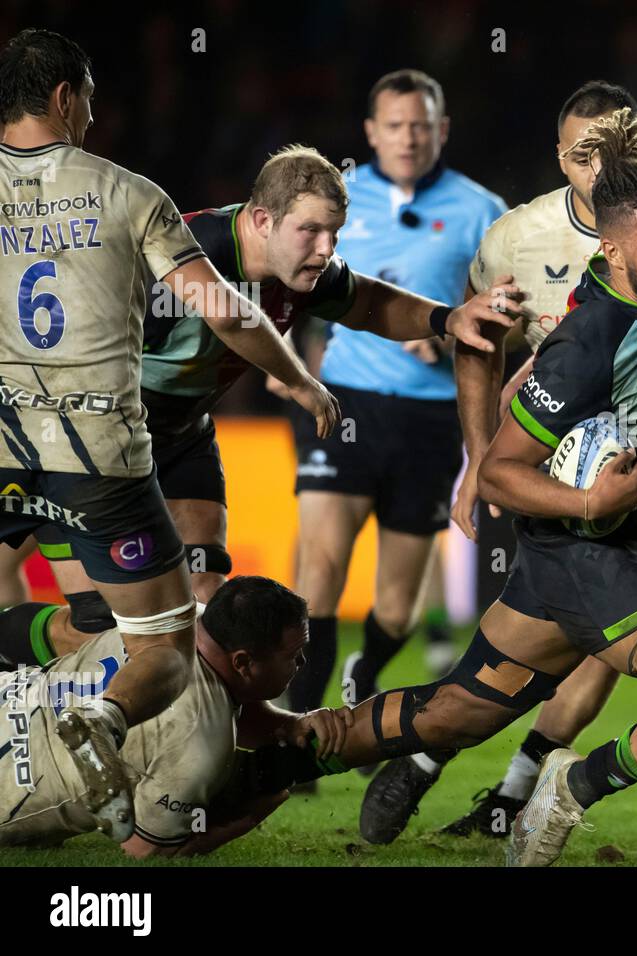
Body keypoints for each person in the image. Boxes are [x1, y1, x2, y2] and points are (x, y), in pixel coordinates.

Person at [258, 111, 637, 868]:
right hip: (591, 557)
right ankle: (572, 785)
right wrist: (592, 503)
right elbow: (501, 471)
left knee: (457, 711)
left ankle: (278, 751)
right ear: (612, 251)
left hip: (604, 557)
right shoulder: (587, 346)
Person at [0, 29, 339, 840]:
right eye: (88, 99)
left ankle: (38, 693)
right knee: (162, 643)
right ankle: (106, 723)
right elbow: (224, 308)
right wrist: (292, 376)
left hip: (4, 443)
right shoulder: (127, 193)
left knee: (83, 616)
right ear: (64, 99)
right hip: (98, 457)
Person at [26, 144, 519, 623]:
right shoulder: (197, 248)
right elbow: (230, 317)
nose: (326, 249)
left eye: (335, 233)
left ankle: (206, 708)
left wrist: (446, 319)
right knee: (98, 618)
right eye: (311, 230)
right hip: (90, 429)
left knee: (202, 592)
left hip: (181, 430)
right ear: (262, 220)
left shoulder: (301, 265)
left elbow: (368, 303)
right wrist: (300, 380)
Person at [286, 70, 509, 723]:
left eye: (420, 125)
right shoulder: (338, 199)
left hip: (430, 416)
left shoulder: (483, 210)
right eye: (394, 125)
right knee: (321, 566)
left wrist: (449, 339)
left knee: (397, 603)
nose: (408, 138)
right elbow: (293, 282)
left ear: (441, 129)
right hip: (346, 401)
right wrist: (289, 355)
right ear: (370, 133)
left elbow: (510, 319)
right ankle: (298, 731)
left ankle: (368, 668)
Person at [0, 575, 351, 855]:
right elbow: (141, 849)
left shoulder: (177, 616)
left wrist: (288, 724)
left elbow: (224, 694)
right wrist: (250, 811)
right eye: (294, 654)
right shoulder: (199, 741)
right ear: (243, 662)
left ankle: (101, 721)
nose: (301, 664)